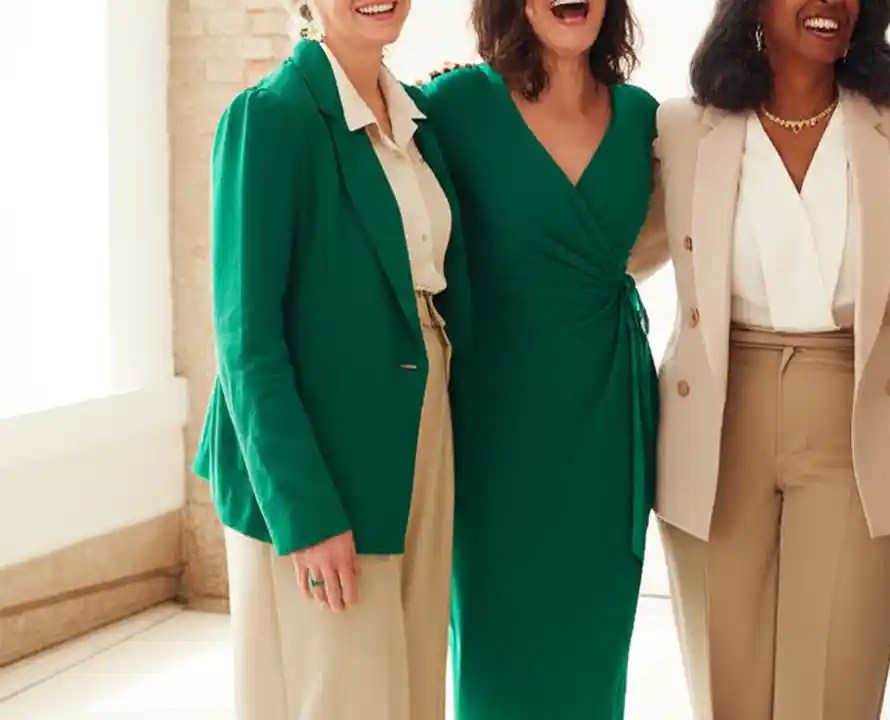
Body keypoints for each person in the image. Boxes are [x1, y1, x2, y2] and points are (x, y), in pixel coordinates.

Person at [649, 0, 890, 717]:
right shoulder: (680, 127)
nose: (833, 4)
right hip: (717, 415)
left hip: (861, 413)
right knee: (727, 686)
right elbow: (607, 246)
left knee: (835, 690)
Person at [192, 1, 471, 718]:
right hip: (319, 454)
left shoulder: (417, 123)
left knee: (409, 691)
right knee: (336, 695)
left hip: (421, 427)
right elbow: (244, 339)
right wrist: (305, 513)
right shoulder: (271, 117)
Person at [414, 0, 662, 717]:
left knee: (593, 654)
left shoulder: (643, 115)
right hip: (495, 426)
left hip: (609, 423)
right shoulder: (456, 104)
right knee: (498, 659)